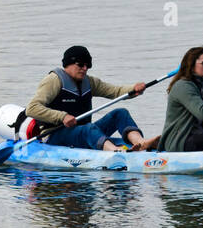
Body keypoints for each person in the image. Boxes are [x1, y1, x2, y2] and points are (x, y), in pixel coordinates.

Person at [25, 46, 158, 152]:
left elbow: (116, 91)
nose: (85, 69)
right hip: (55, 135)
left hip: (82, 132)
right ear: (68, 64)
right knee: (88, 129)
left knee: (120, 113)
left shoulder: (89, 82)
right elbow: (32, 108)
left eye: (88, 66)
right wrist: (62, 116)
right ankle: (115, 151)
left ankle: (140, 143)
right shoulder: (54, 80)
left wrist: (134, 89)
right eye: (81, 65)